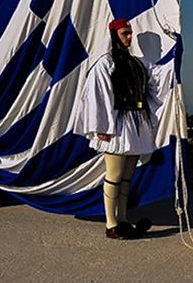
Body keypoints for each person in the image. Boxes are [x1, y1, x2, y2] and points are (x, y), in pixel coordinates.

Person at [73, 18, 174, 239]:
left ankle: (123, 219)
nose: (129, 37)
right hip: (117, 125)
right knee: (114, 175)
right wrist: (102, 126)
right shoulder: (105, 63)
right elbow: (98, 96)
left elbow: (159, 76)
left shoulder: (139, 64)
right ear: (114, 35)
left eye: (129, 33)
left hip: (136, 124)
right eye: (124, 34)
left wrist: (178, 53)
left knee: (127, 177)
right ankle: (111, 224)